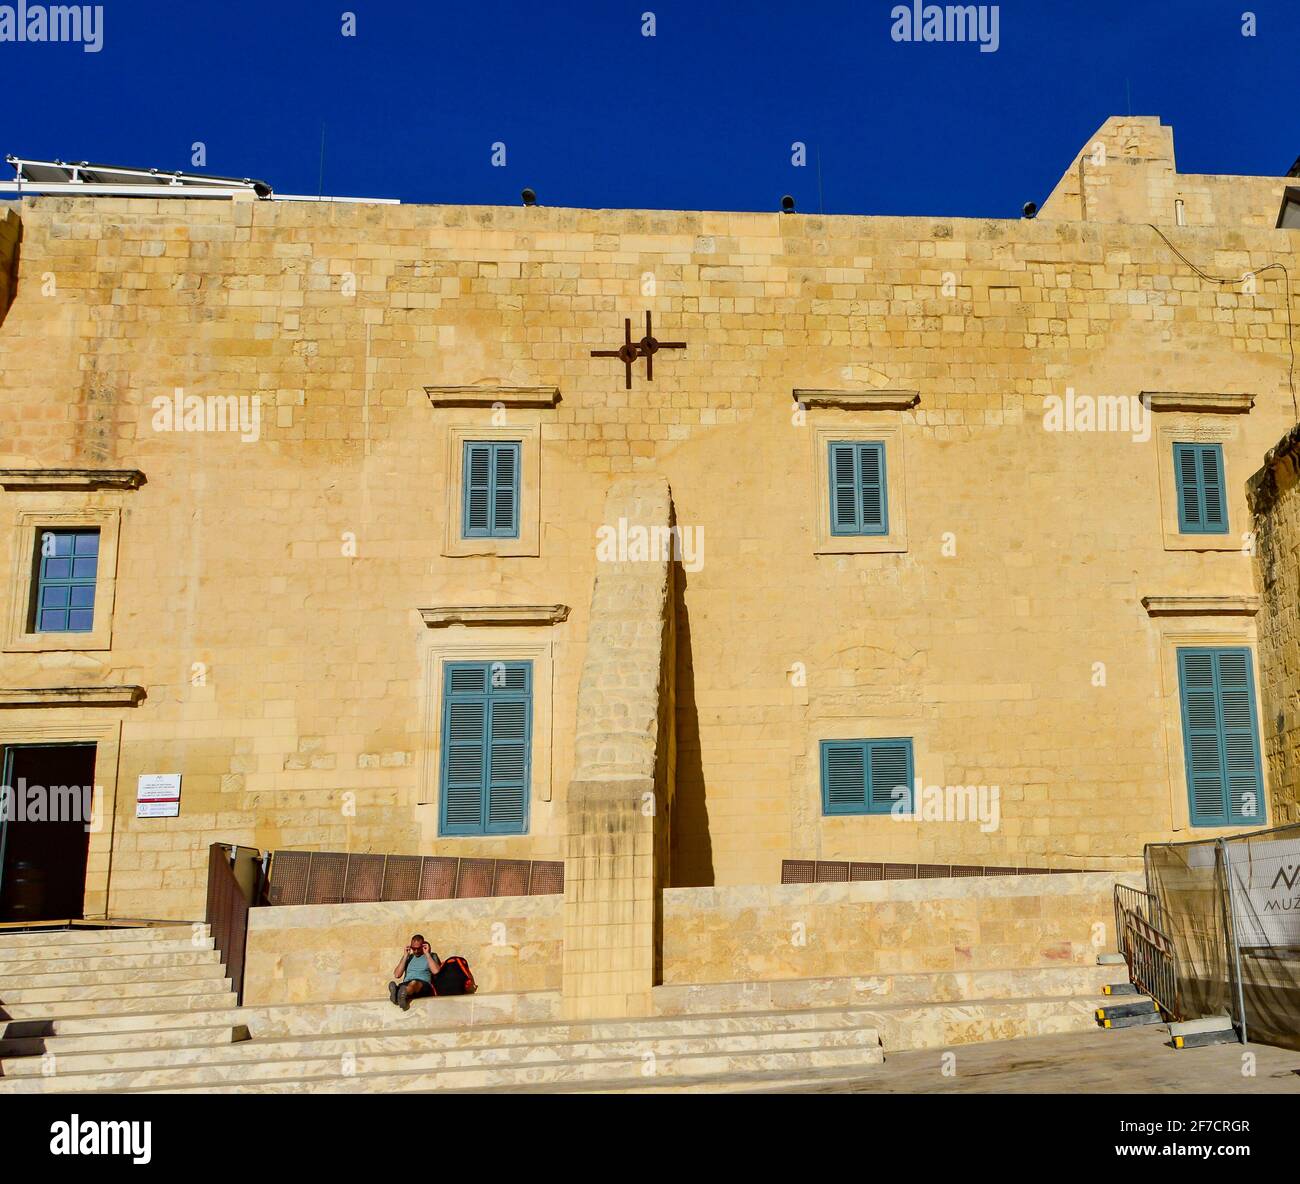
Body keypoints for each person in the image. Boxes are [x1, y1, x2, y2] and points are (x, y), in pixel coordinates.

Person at [388, 934, 441, 1010]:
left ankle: (400, 993)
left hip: (423, 985)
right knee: (406, 985)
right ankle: (399, 992)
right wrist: (405, 956)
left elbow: (436, 971)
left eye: (418, 948)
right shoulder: (409, 957)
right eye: (413, 948)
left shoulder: (432, 956)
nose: (416, 951)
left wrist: (427, 954)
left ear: (423, 946)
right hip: (406, 983)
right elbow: (397, 975)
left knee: (414, 983)